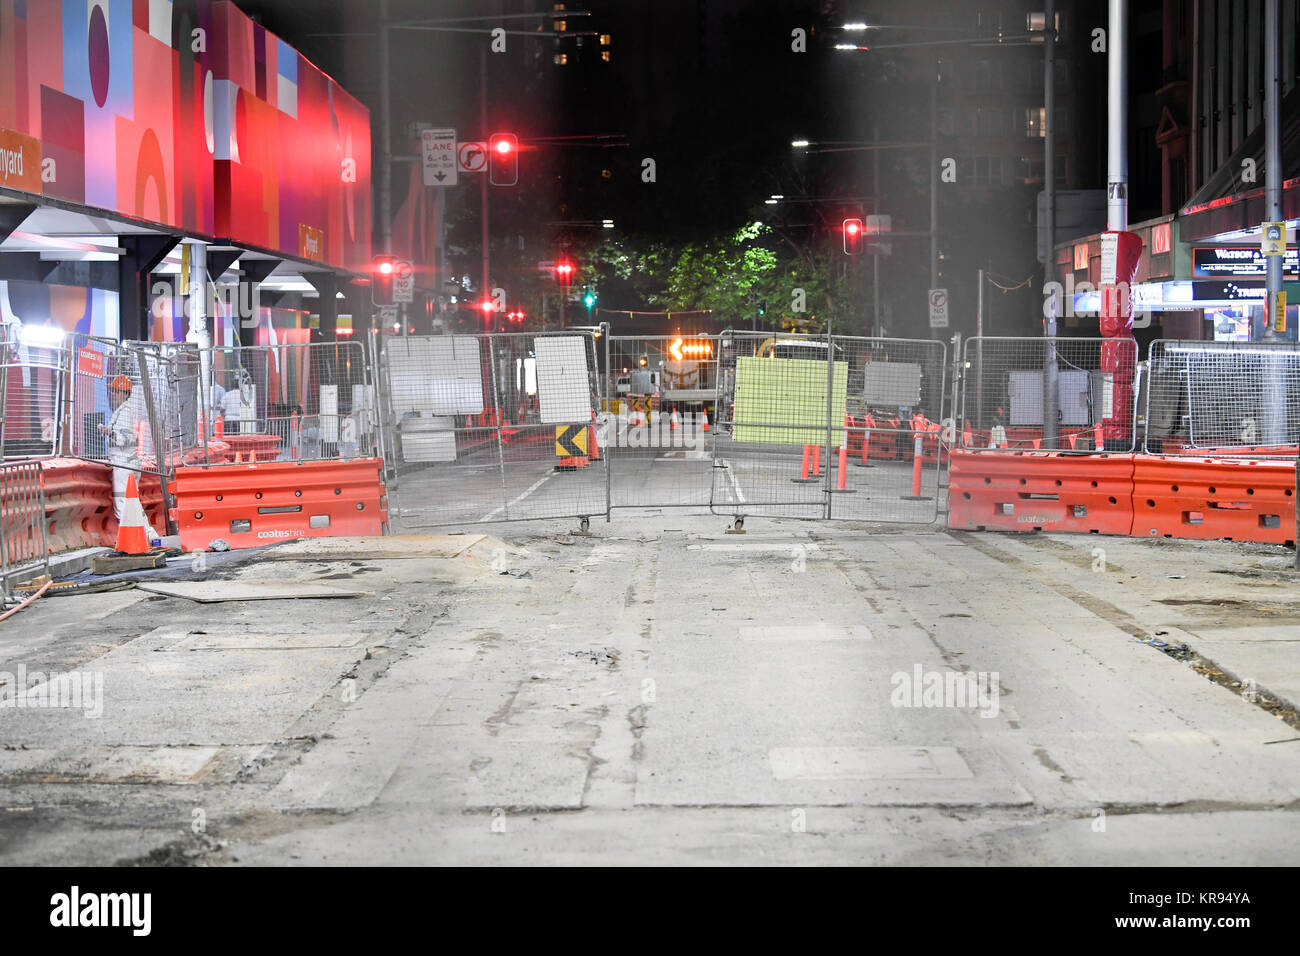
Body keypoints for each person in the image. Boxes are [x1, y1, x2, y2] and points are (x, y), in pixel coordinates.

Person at [98, 375, 161, 544]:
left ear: (124, 393)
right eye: (112, 391)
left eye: (116, 391)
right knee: (131, 503)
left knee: (124, 505)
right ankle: (149, 536)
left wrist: (109, 433)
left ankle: (135, 539)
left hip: (124, 464)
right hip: (126, 462)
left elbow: (127, 439)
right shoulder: (123, 411)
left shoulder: (125, 412)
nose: (112, 395)